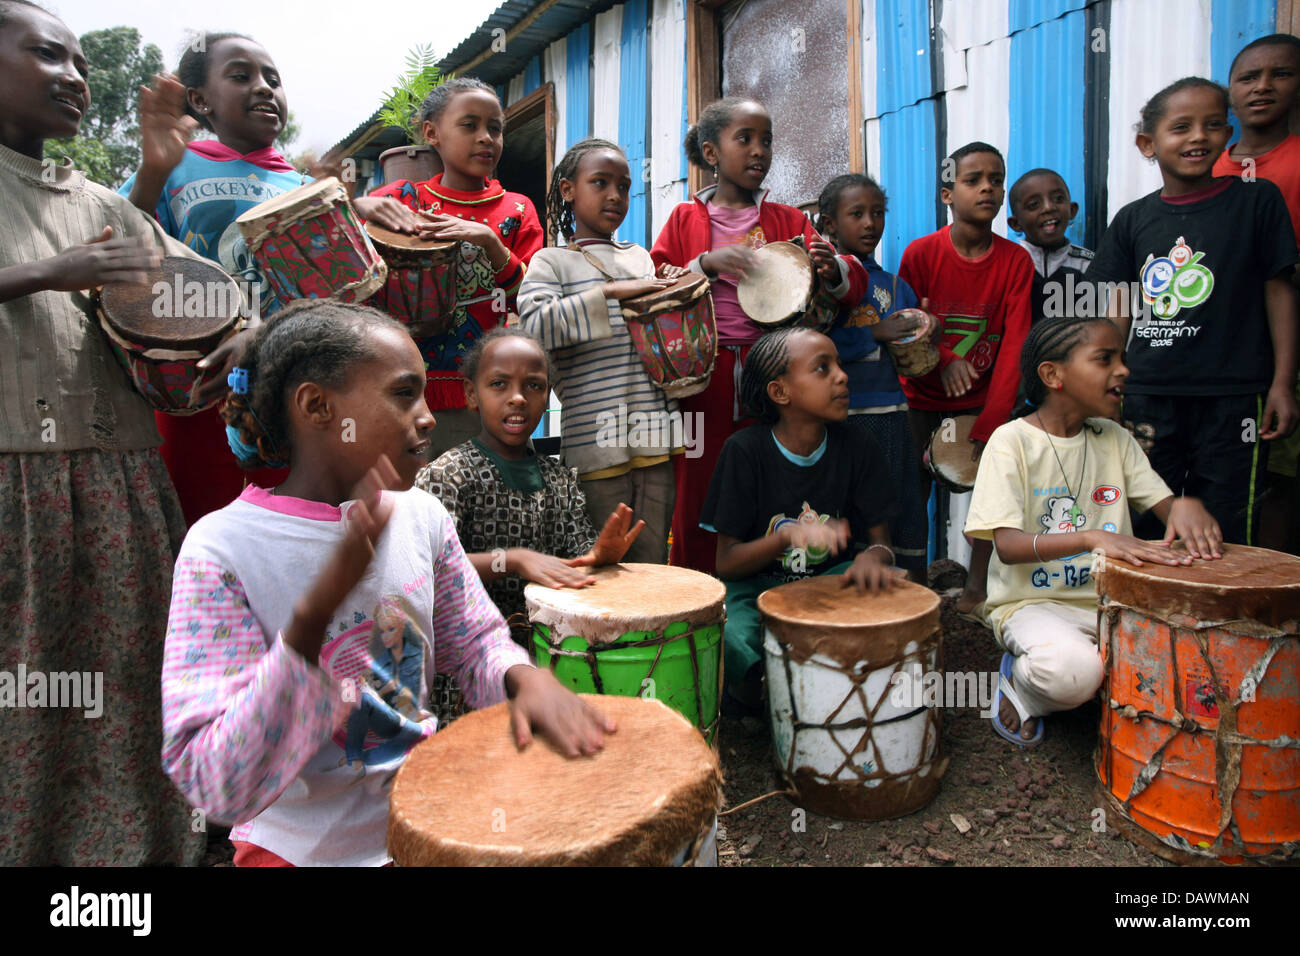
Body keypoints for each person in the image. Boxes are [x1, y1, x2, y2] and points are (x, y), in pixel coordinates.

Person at [161, 300, 613, 867]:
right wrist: (312, 617)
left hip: (421, 822)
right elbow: (216, 784)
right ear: (316, 406)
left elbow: (474, 641)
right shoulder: (221, 549)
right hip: (294, 850)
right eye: (404, 394)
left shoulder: (420, 516)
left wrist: (522, 676)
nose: (427, 416)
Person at [0, 0, 203, 865]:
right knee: (25, 696)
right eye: (48, 55)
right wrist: (54, 271)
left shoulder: (99, 204)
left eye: (81, 62)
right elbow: (67, 266)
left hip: (121, 485)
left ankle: (130, 867)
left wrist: (215, 342)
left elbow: (189, 304)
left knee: (124, 692)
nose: (75, 77)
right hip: (17, 492)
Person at [119, 34, 410, 525]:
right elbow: (119, 250)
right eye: (240, 76)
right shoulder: (173, 166)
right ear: (200, 99)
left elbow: (335, 304)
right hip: (198, 390)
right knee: (205, 528)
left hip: (289, 393)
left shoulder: (305, 188)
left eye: (273, 79)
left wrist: (263, 336)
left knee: (290, 527)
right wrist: (152, 173)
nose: (263, 88)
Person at [966, 315, 1222, 745]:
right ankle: (1023, 685)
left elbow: (1164, 506)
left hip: (1114, 605)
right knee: (1074, 674)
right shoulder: (1010, 442)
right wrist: (1092, 537)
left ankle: (1082, 677)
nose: (1123, 370)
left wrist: (1184, 508)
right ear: (1053, 374)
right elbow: (1007, 546)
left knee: (1190, 672)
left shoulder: (1114, 439)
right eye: (1105, 359)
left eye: (1122, 359)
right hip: (1034, 605)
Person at [1088, 77, 1300, 546]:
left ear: (1228, 136)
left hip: (1237, 395)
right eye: (1181, 127)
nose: (1198, 137)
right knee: (1145, 513)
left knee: (1228, 525)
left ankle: (1224, 617)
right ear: (1149, 143)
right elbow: (1118, 309)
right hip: (1148, 393)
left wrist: (1283, 383)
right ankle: (1146, 616)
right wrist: (1108, 378)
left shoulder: (1256, 202)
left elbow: (1279, 291)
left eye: (1211, 125)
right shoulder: (1133, 219)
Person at [650, 97, 844, 575]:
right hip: (702, 378)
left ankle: (768, 584)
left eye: (767, 140)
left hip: (773, 373)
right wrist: (705, 265)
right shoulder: (683, 219)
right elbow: (655, 279)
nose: (759, 150)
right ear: (711, 153)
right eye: (745, 139)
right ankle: (697, 588)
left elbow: (840, 280)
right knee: (699, 480)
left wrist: (829, 267)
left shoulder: (787, 221)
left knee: (768, 473)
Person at [699, 327, 899, 713]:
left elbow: (881, 542)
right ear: (780, 392)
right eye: (822, 369)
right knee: (733, 631)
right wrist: (787, 538)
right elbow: (726, 563)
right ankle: (764, 694)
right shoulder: (743, 452)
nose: (843, 376)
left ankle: (821, 680)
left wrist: (873, 558)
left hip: (828, 582)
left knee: (889, 596)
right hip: (756, 591)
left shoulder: (859, 447)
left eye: (839, 364)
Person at [518, 138, 686, 562]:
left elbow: (665, 345)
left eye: (625, 186)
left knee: (650, 563)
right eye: (600, 182)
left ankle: (654, 631)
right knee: (604, 565)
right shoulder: (550, 263)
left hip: (654, 434)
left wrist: (676, 289)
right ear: (568, 190)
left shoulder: (641, 259)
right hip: (594, 437)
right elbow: (535, 327)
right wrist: (610, 292)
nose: (615, 196)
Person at [415, 327, 646, 625]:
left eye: (534, 386)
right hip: (470, 651)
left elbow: (576, 557)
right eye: (499, 384)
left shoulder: (561, 480)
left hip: (550, 642)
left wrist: (598, 556)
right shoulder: (447, 475)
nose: (518, 398)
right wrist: (513, 560)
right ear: (472, 394)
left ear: (548, 395)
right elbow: (428, 567)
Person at [367, 77, 545, 460]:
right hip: (406, 396)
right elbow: (338, 232)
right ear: (432, 133)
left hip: (486, 401)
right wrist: (360, 206)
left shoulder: (516, 210)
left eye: (495, 128)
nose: (486, 138)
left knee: (494, 505)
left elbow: (531, 301)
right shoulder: (404, 199)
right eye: (470, 125)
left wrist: (490, 242)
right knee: (416, 508)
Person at [898, 141, 1034, 615]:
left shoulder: (1016, 262)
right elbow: (907, 326)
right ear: (947, 194)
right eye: (973, 180)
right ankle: (915, 591)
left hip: (981, 402)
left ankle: (977, 590)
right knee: (912, 496)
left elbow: (1016, 343)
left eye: (995, 179)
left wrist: (993, 418)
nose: (987, 188)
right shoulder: (921, 254)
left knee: (993, 496)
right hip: (920, 398)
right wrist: (947, 356)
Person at [817, 173, 929, 581]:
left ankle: (909, 597)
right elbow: (816, 343)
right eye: (857, 214)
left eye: (878, 213)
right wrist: (873, 333)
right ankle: (843, 597)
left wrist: (922, 335)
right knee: (850, 509)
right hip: (841, 420)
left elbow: (912, 358)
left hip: (892, 415)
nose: (870, 223)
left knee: (895, 503)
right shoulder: (822, 286)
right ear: (829, 223)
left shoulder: (897, 286)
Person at [1213, 34, 1300, 554]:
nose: (1263, 86)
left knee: (1283, 477)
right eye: (1249, 77)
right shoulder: (1206, 167)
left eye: (1281, 74)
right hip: (1222, 355)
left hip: (1285, 350)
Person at [1006, 167, 1094, 326]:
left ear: (1072, 210)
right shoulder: (1006, 266)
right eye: (1034, 205)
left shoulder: (1089, 265)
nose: (1048, 208)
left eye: (1058, 199)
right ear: (1016, 224)